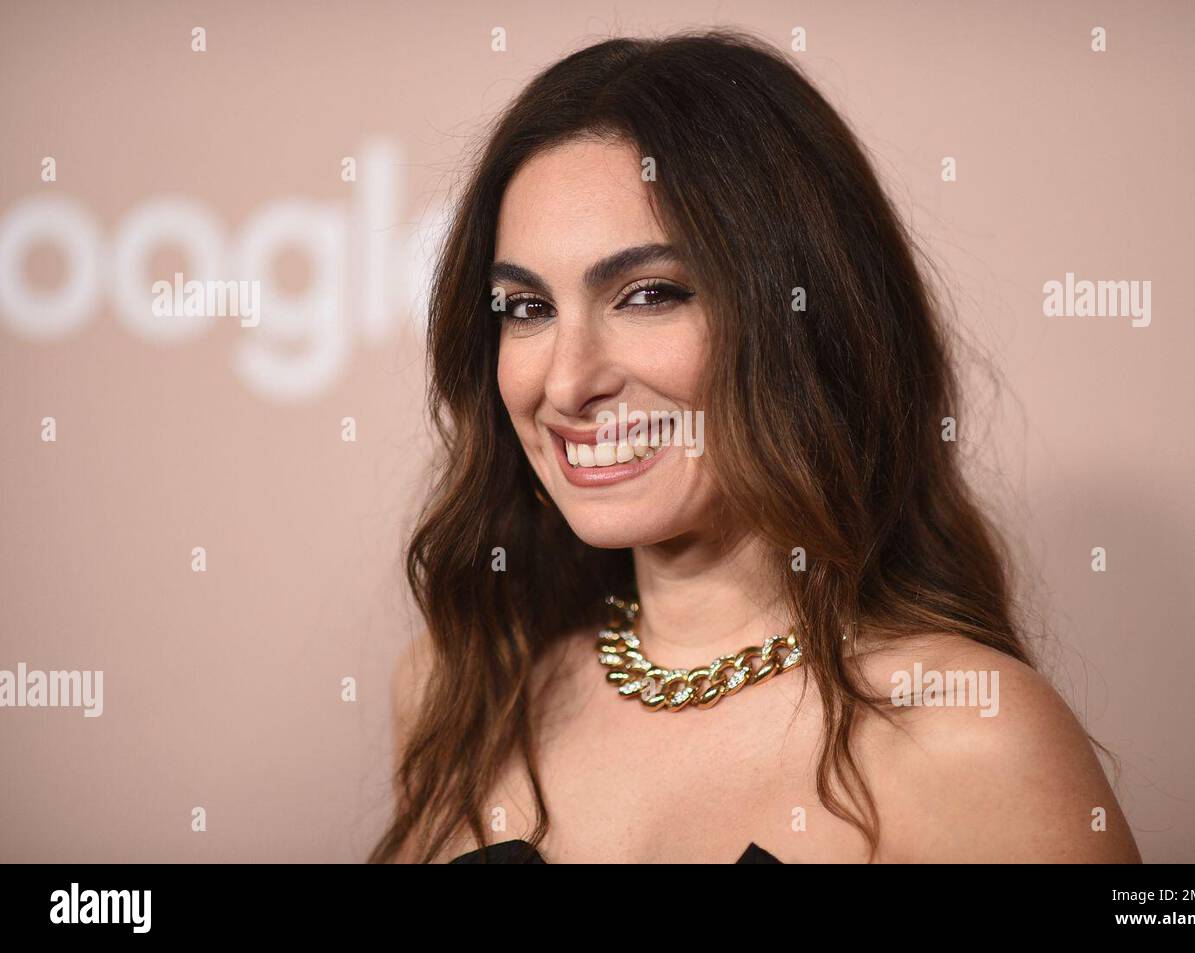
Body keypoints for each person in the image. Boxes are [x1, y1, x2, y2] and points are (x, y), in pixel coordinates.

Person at [370, 28, 1142, 864]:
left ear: (799, 320)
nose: (564, 383)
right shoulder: (460, 691)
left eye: (648, 294)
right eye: (526, 308)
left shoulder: (969, 736)